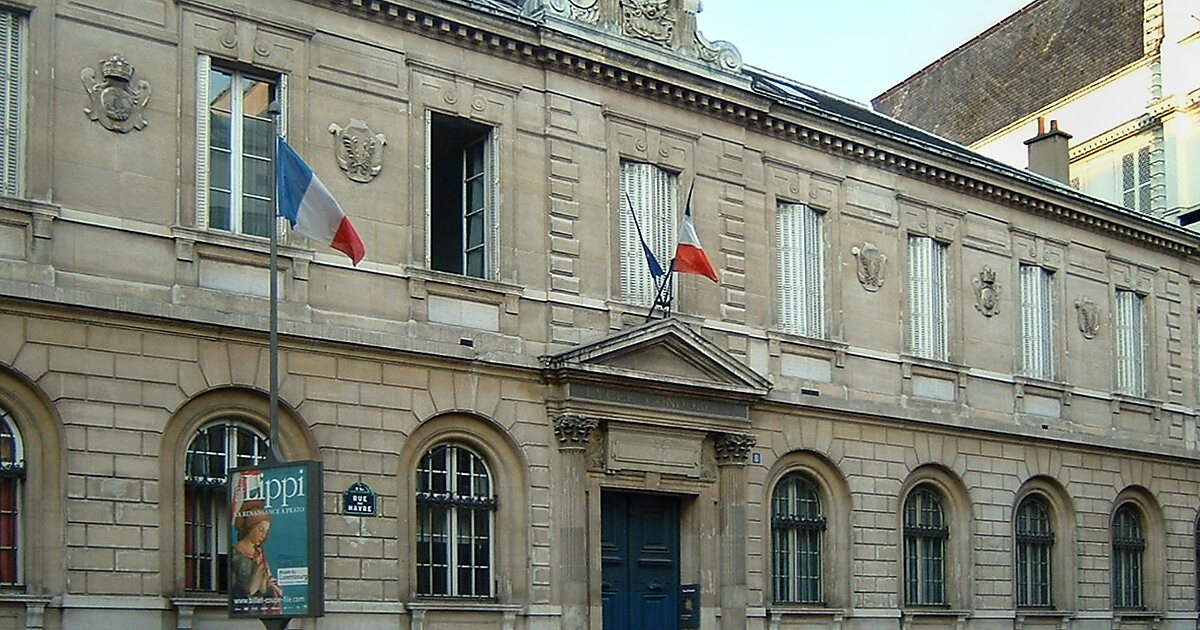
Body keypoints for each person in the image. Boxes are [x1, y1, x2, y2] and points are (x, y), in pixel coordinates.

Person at [230, 499, 283, 612]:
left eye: (266, 532)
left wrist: (270, 587)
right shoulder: (235, 553)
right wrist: (254, 585)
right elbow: (236, 590)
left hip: (259, 609)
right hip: (244, 610)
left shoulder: (259, 553)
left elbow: (265, 585)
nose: (263, 535)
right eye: (261, 530)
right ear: (250, 527)